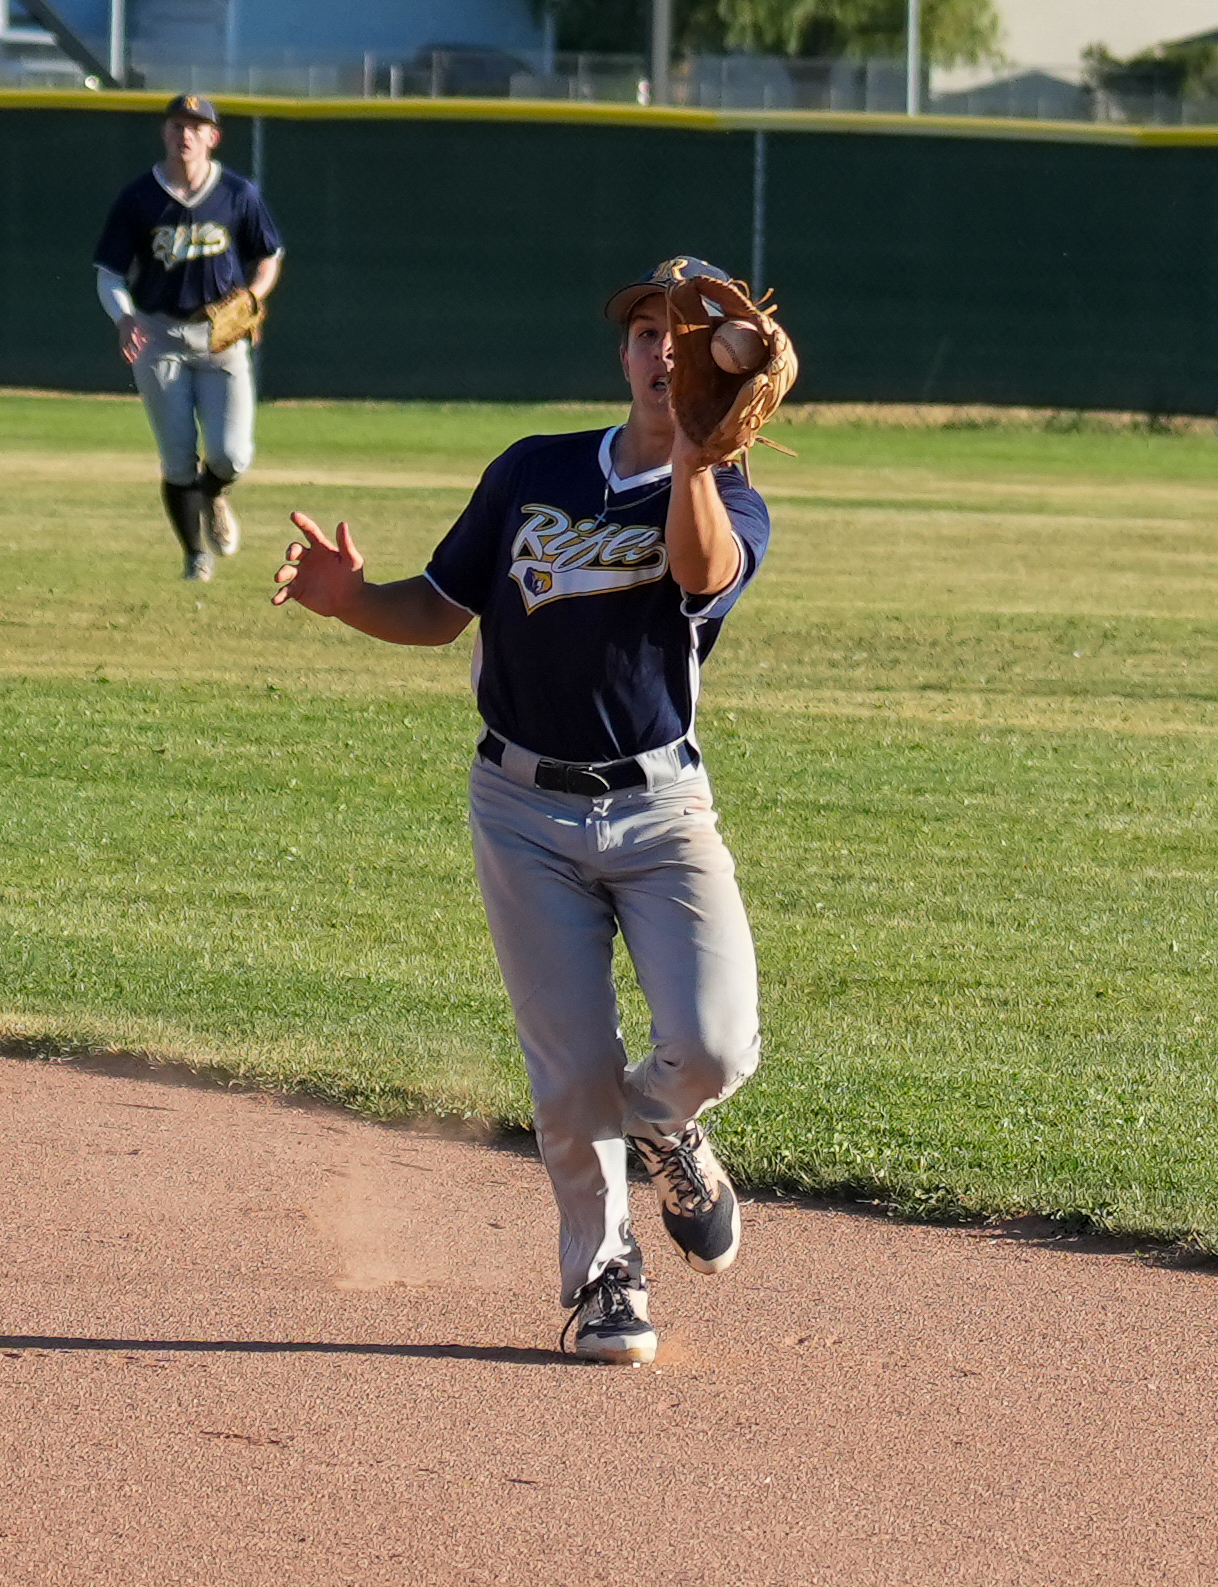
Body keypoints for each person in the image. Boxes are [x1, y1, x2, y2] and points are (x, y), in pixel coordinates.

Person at [272, 258, 770, 1365]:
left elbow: (698, 571)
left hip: (660, 813)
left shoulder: (730, 497)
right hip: (519, 809)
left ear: (719, 368)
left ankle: (662, 1119)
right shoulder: (534, 470)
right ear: (623, 352)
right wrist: (353, 601)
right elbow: (440, 609)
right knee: (568, 1070)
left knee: (715, 1045)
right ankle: (604, 1280)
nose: (661, 352)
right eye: (646, 331)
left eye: (686, 337)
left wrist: (696, 452)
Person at [93, 94, 284, 583]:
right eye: (178, 124)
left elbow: (268, 254)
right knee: (177, 457)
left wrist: (255, 296)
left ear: (213, 138)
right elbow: (109, 272)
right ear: (165, 131)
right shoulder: (139, 197)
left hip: (220, 338)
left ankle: (215, 494)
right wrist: (124, 317)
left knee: (231, 455)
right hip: (158, 334)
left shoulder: (238, 193)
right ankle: (194, 555)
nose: (186, 134)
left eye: (197, 127)